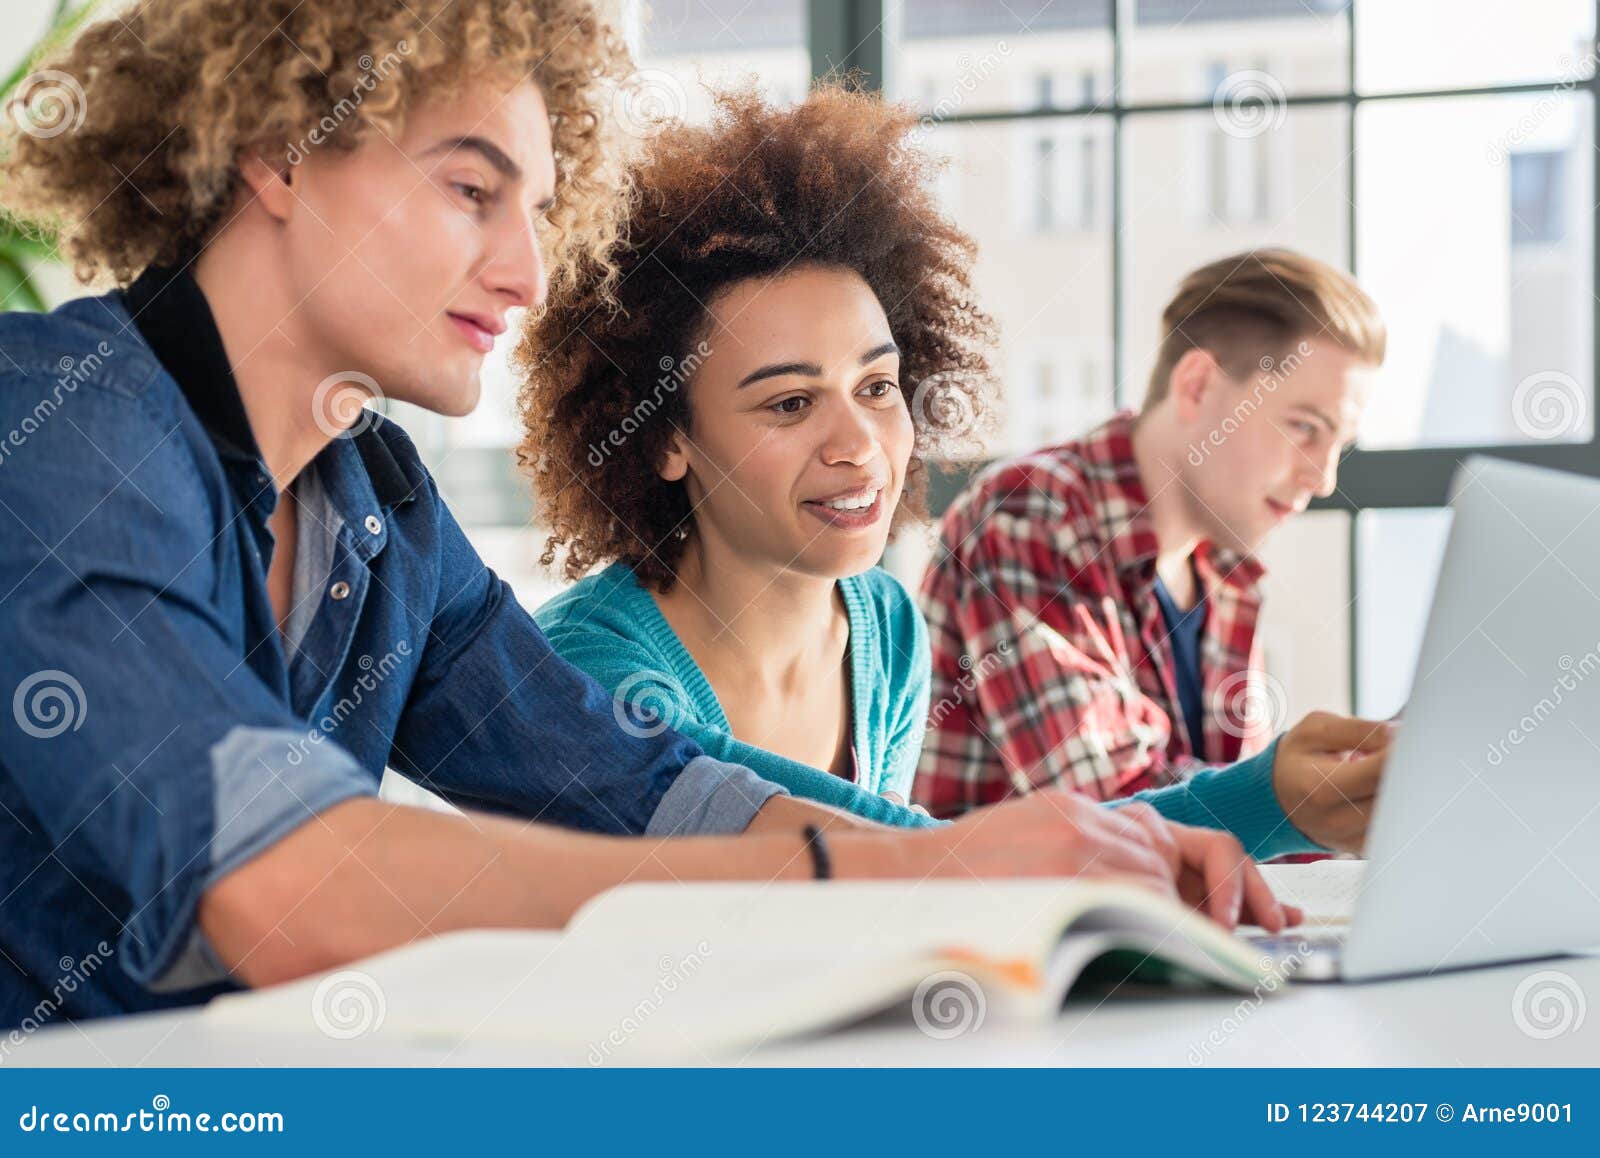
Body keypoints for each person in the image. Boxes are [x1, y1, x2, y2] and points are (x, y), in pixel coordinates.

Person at [0, 0, 1295, 1028]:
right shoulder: (56, 430)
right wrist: (914, 875)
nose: (526, 269)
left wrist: (1066, 886)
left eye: (542, 210)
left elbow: (648, 788)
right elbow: (292, 885)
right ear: (279, 153)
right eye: (470, 190)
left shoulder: (379, 500)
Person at [520, 90, 1387, 869]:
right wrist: (1265, 801)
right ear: (667, 436)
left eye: (877, 387)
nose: (859, 444)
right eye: (789, 404)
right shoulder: (590, 668)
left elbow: (887, 892)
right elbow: (888, 858)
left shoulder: (883, 624)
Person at [915, 248, 1390, 854]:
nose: (1323, 478)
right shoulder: (1029, 514)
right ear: (1197, 387)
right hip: (1017, 937)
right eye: (1303, 427)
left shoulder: (1223, 566)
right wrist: (1294, 800)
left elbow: (1233, 825)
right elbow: (1108, 812)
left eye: (1339, 444)